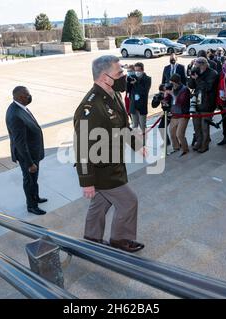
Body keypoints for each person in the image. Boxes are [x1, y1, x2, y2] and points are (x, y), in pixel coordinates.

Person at [73, 55, 145, 253]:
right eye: (119, 73)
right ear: (105, 77)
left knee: (100, 203)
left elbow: (123, 126)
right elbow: (82, 147)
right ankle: (120, 239)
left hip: (114, 162)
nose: (124, 76)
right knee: (129, 201)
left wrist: (137, 145)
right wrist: (87, 181)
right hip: (102, 169)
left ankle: (92, 238)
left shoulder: (114, 94)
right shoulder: (90, 107)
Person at [6, 86, 47, 216]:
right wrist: (30, 163)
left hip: (33, 153)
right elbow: (20, 143)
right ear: (20, 97)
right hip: (27, 156)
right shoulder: (15, 115)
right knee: (29, 180)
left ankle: (36, 197)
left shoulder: (21, 108)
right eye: (27, 95)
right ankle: (31, 205)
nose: (30, 96)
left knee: (34, 179)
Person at [188, 57, 219, 153]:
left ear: (203, 64)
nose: (195, 67)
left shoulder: (212, 73)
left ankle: (205, 145)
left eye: (197, 65)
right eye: (195, 65)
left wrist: (197, 78)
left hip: (207, 103)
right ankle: (199, 141)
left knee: (204, 126)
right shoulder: (196, 71)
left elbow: (207, 87)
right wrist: (191, 76)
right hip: (196, 103)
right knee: (196, 125)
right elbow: (191, 86)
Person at [165, 74, 191, 156]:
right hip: (174, 114)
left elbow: (181, 102)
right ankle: (176, 148)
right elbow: (168, 101)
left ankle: (185, 149)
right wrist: (165, 96)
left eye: (172, 83)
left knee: (179, 134)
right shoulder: (172, 88)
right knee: (172, 133)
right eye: (170, 83)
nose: (171, 85)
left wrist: (172, 94)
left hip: (183, 115)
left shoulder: (185, 89)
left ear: (177, 82)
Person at [129, 62, 152, 134]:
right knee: (134, 126)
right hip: (133, 106)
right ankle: (136, 142)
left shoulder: (147, 79)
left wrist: (136, 83)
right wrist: (128, 82)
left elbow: (144, 91)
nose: (136, 72)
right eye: (135, 70)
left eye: (138, 70)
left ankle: (144, 141)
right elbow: (127, 90)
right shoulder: (132, 77)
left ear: (142, 70)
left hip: (142, 106)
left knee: (143, 126)